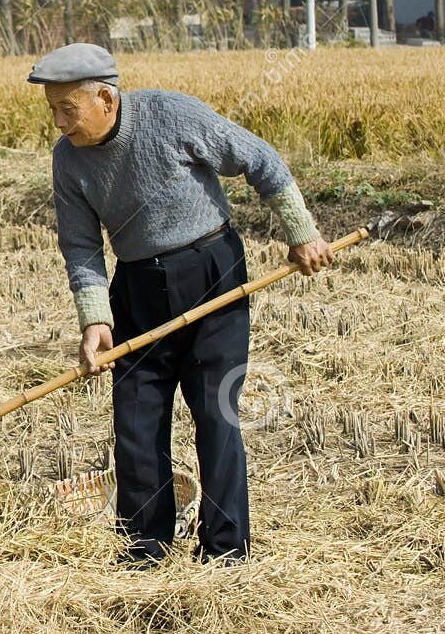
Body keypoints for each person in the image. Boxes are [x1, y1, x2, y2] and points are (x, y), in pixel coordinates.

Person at [38, 43, 331, 565]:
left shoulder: (172, 115)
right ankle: (144, 549)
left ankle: (224, 552)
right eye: (52, 110)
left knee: (215, 411)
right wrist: (95, 319)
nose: (59, 123)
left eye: (68, 109)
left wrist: (302, 232)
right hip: (137, 286)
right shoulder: (69, 160)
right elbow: (80, 245)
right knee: (136, 418)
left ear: (105, 97)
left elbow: (260, 160)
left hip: (211, 272)